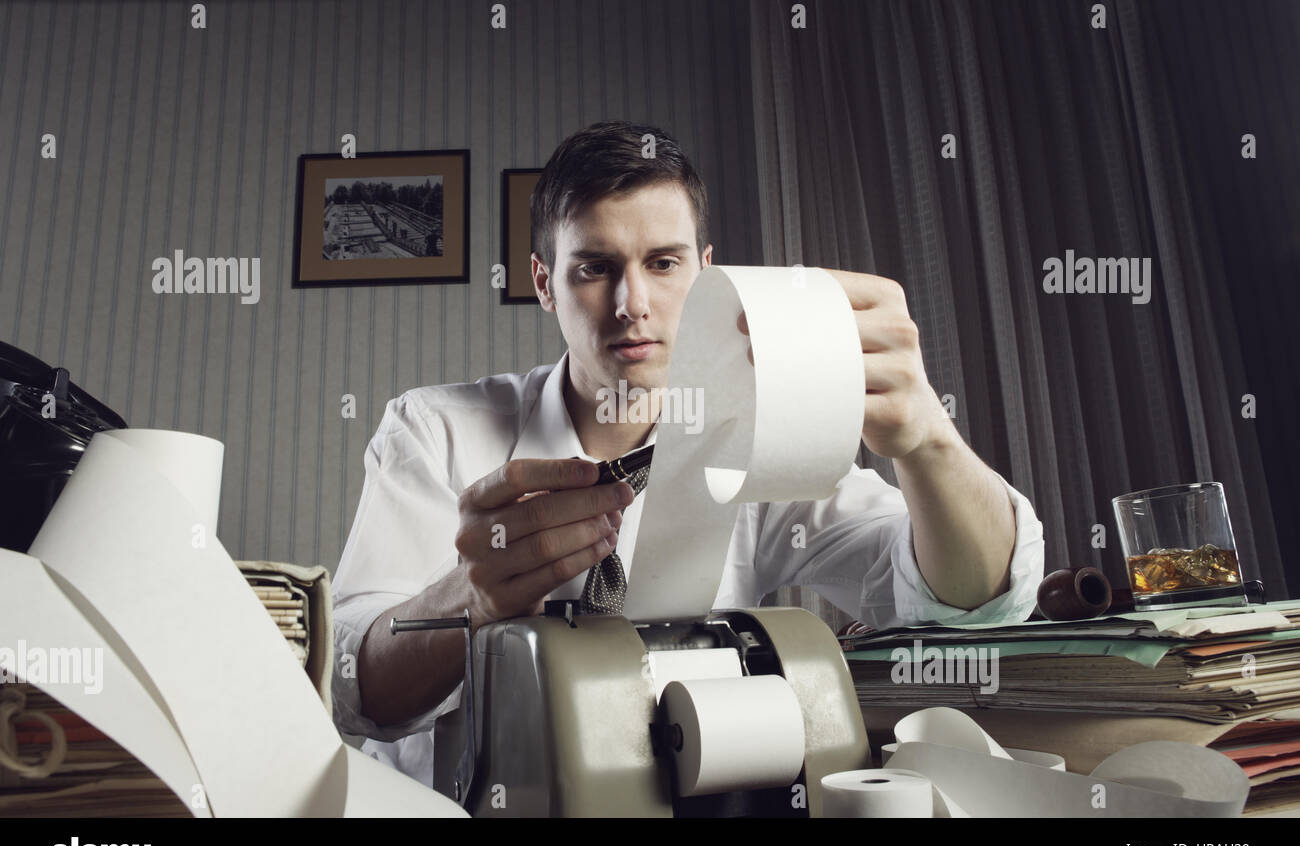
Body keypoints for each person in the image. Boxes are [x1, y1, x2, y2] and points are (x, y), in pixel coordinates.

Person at [331, 121, 1045, 787]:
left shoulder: (759, 443)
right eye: (594, 267)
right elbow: (352, 684)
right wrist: (471, 600)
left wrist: (928, 442)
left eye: (663, 263)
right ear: (544, 283)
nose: (632, 302)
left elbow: (969, 605)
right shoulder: (432, 428)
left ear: (704, 273)